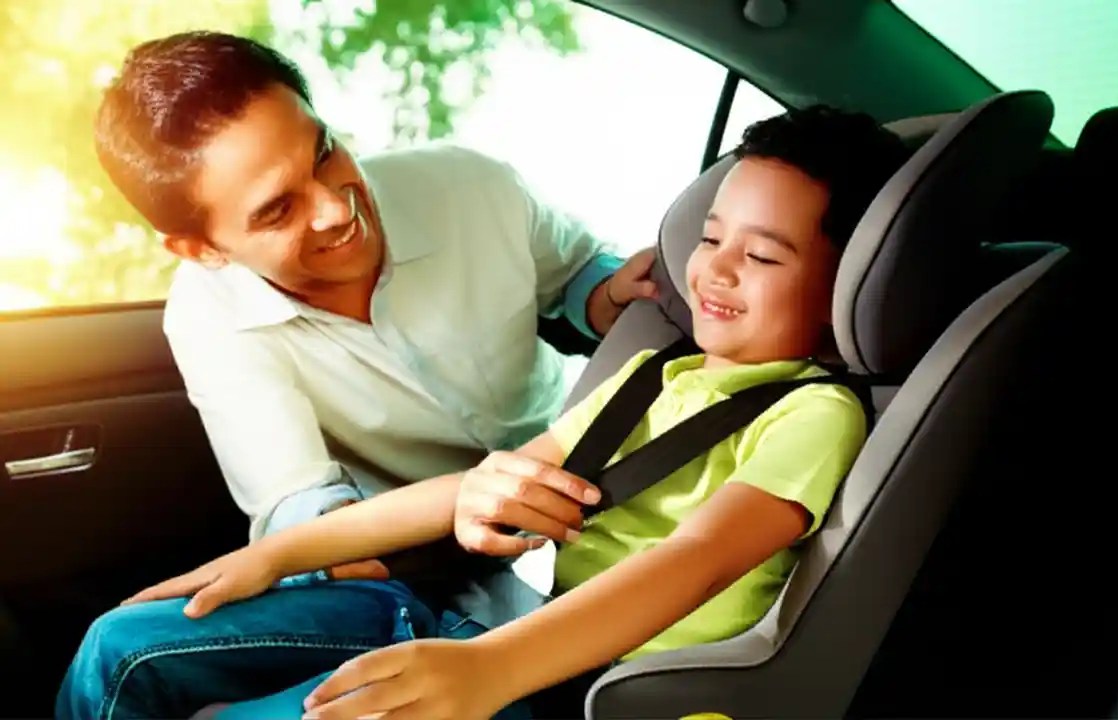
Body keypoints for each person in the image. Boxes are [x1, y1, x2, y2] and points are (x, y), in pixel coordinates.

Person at [56, 103, 911, 719]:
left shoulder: (813, 414)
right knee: (119, 647)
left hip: (567, 672)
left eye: (761, 254)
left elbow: (695, 561)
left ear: (857, 283)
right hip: (477, 606)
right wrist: (279, 554)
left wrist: (489, 671)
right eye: (712, 236)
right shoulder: (655, 373)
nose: (713, 270)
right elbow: (474, 486)